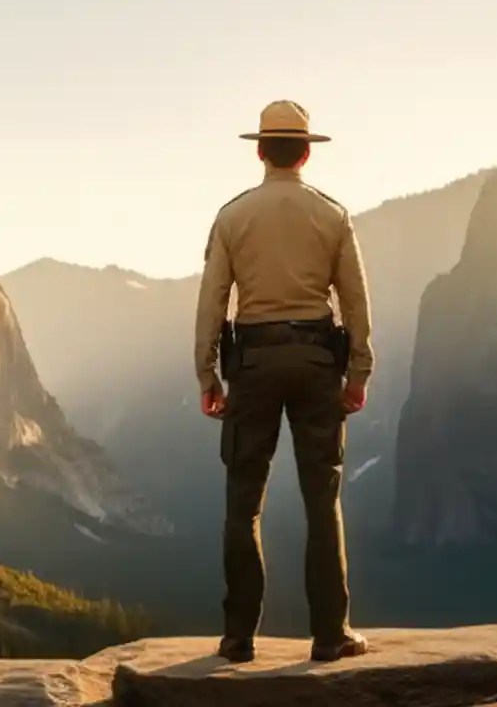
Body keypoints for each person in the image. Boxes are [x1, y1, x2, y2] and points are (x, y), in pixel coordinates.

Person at [193, 99, 375, 663]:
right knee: (323, 500)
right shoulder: (333, 216)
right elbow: (355, 300)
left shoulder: (232, 217)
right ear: (305, 153)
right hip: (319, 362)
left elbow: (212, 300)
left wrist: (207, 373)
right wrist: (359, 370)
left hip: (252, 365)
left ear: (259, 151)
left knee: (243, 503)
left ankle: (238, 638)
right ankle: (330, 635)